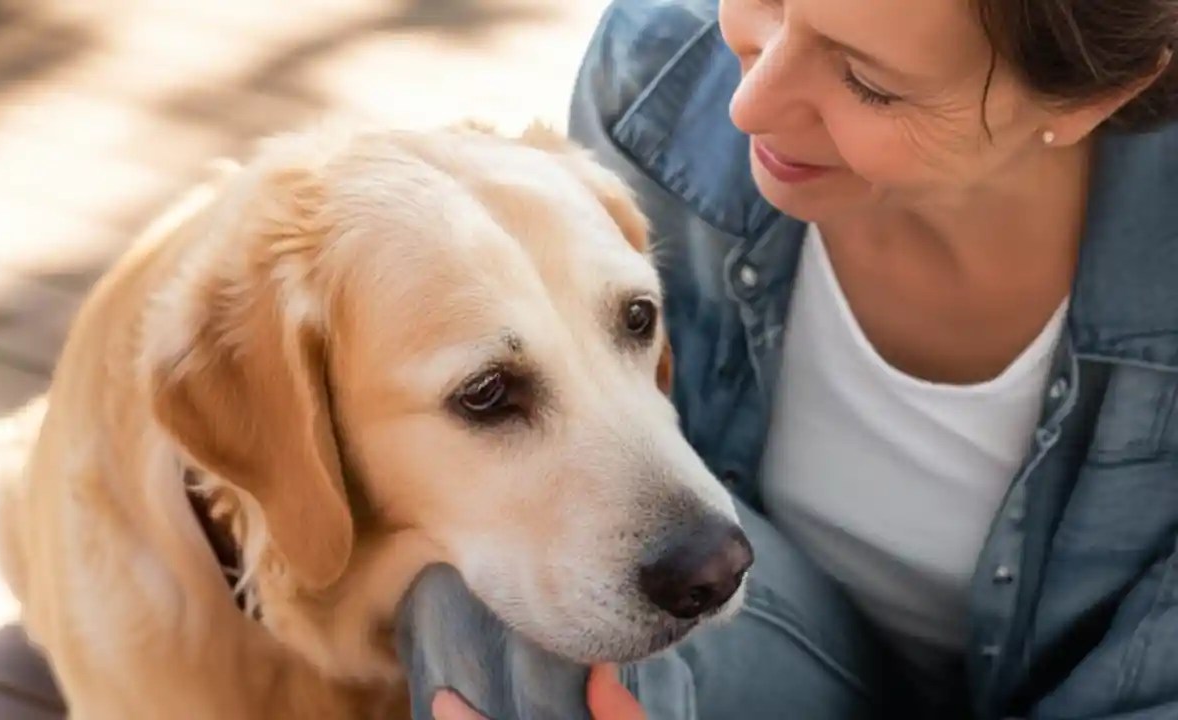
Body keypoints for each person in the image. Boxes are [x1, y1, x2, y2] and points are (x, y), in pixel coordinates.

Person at [397, 0, 1178, 717]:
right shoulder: (666, 75)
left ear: (1089, 100)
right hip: (765, 658)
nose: (748, 106)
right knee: (500, 604)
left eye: (869, 84)